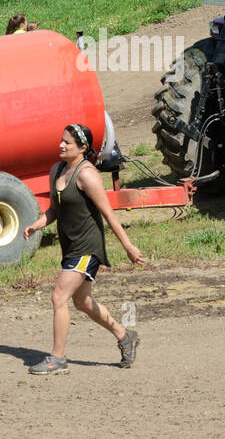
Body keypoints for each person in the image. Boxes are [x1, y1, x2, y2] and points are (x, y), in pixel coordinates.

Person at [22, 124, 145, 376]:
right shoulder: (56, 170)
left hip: (88, 247)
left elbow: (108, 214)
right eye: (61, 140)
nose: (61, 145)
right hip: (70, 246)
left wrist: (128, 246)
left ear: (83, 148)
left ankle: (57, 358)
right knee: (82, 302)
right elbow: (56, 209)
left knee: (59, 296)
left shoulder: (87, 176)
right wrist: (37, 225)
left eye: (68, 142)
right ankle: (125, 335)